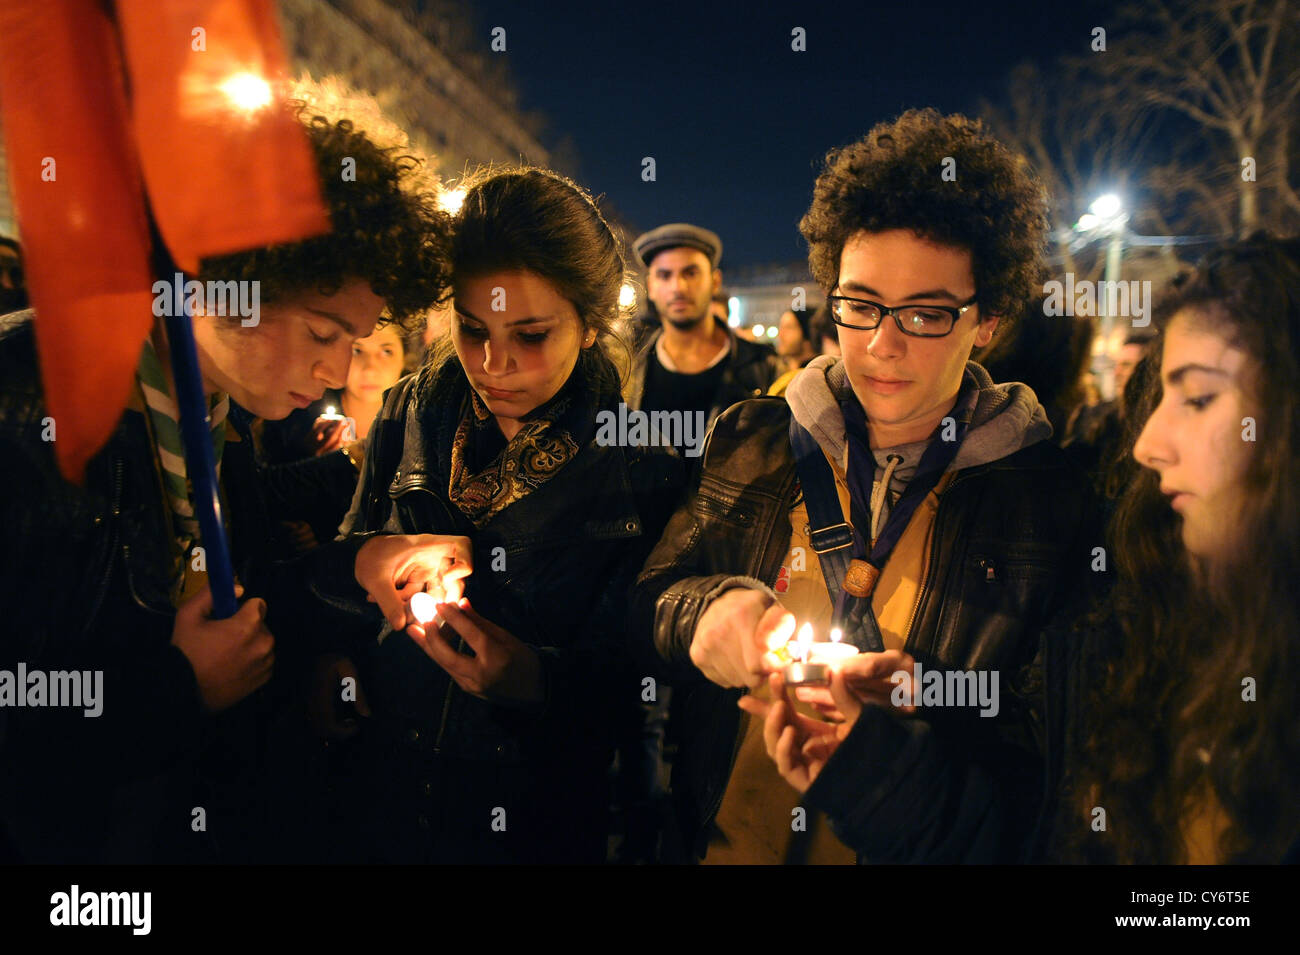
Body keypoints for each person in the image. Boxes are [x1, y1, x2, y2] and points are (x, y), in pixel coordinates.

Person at [632, 109, 1096, 864]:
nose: (881, 344)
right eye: (860, 304)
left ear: (988, 321)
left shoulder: (1049, 501)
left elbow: (1055, 777)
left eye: (925, 313)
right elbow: (646, 596)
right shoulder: (754, 440)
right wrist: (702, 615)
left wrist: (928, 708)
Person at [748, 233, 1300, 864]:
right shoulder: (1158, 624)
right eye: (863, 306)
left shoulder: (1062, 511)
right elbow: (1048, 831)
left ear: (988, 324)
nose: (1150, 444)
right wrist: (885, 759)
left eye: (1199, 398)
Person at [0, 99, 453, 863]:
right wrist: (172, 689)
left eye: (358, 341)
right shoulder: (29, 395)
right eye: (320, 332)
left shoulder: (217, 404)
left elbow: (241, 585)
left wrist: (359, 566)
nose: (337, 371)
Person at [319, 167, 683, 864]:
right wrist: (342, 632)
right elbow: (341, 563)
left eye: (532, 334)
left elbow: (643, 695)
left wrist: (539, 682)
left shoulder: (642, 465)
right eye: (471, 327)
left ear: (589, 325)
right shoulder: (406, 410)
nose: (494, 363)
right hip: (382, 788)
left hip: (532, 816)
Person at [627, 222, 782, 461]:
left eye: (691, 273)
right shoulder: (626, 366)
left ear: (715, 282)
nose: (678, 287)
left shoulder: (764, 365)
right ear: (650, 287)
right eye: (664, 275)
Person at [769, 305, 824, 396]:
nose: (780, 335)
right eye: (781, 327)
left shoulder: (815, 379)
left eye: (789, 328)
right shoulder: (776, 373)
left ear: (808, 333)